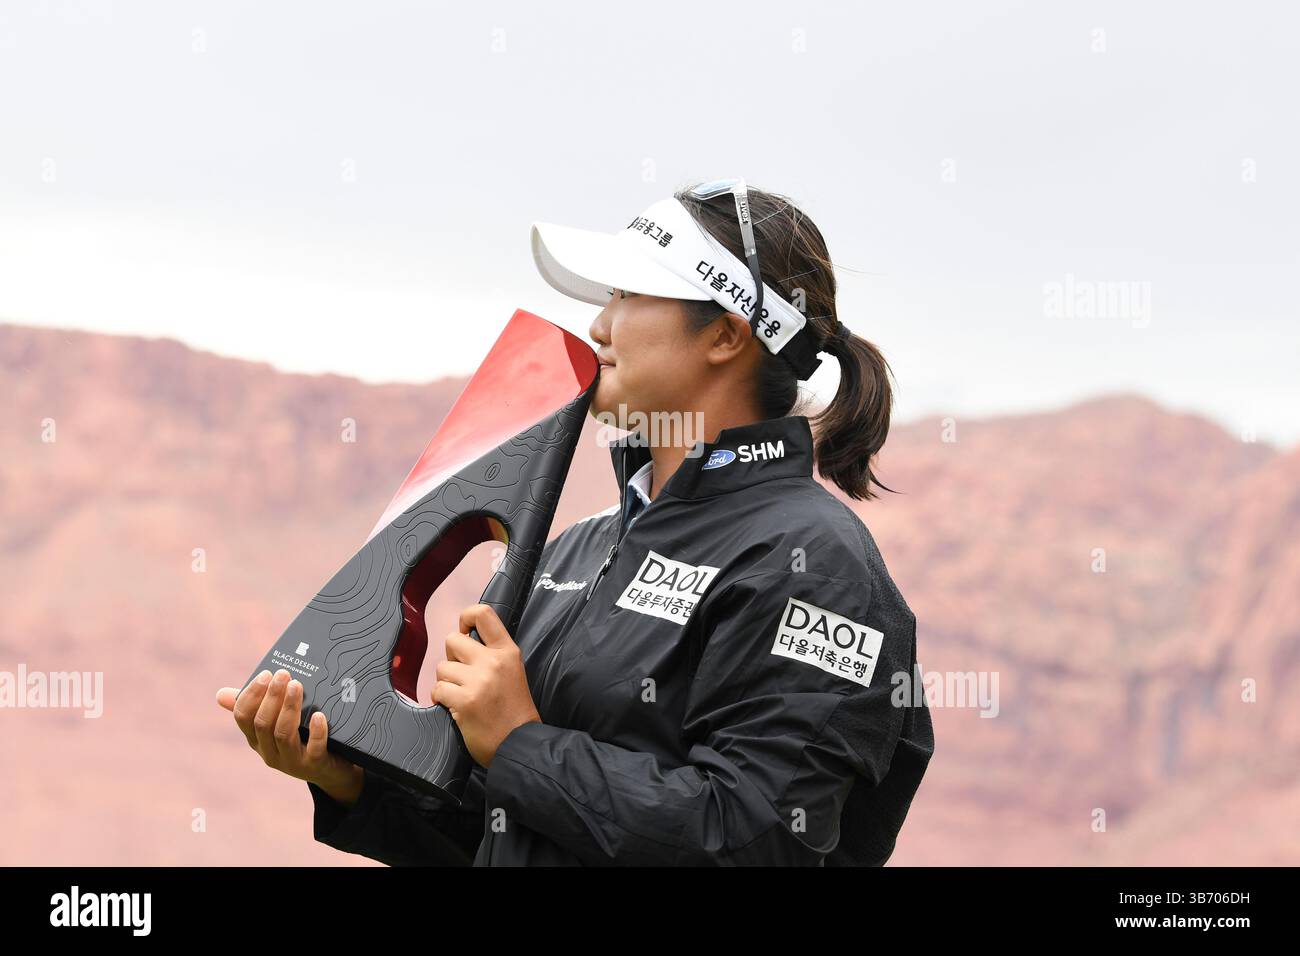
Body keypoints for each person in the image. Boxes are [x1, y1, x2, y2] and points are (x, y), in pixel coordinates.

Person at [216, 178, 935, 866]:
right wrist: (351, 780)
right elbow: (509, 837)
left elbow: (755, 839)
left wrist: (521, 741)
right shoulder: (582, 547)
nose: (598, 325)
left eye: (626, 295)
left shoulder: (815, 562)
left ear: (724, 335)